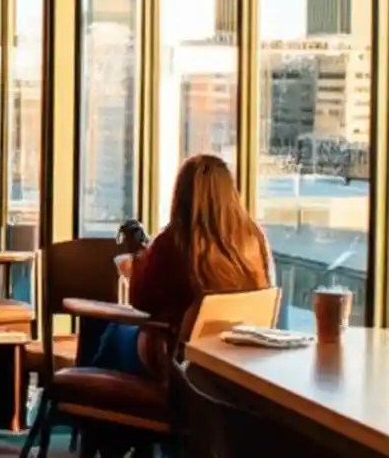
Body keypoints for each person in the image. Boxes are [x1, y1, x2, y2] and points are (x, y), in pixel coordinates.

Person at [92, 154, 273, 378]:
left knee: (105, 329)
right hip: (230, 366)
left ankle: (78, 401)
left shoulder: (175, 241)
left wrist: (138, 263)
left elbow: (140, 301)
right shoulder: (254, 239)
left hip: (173, 365)